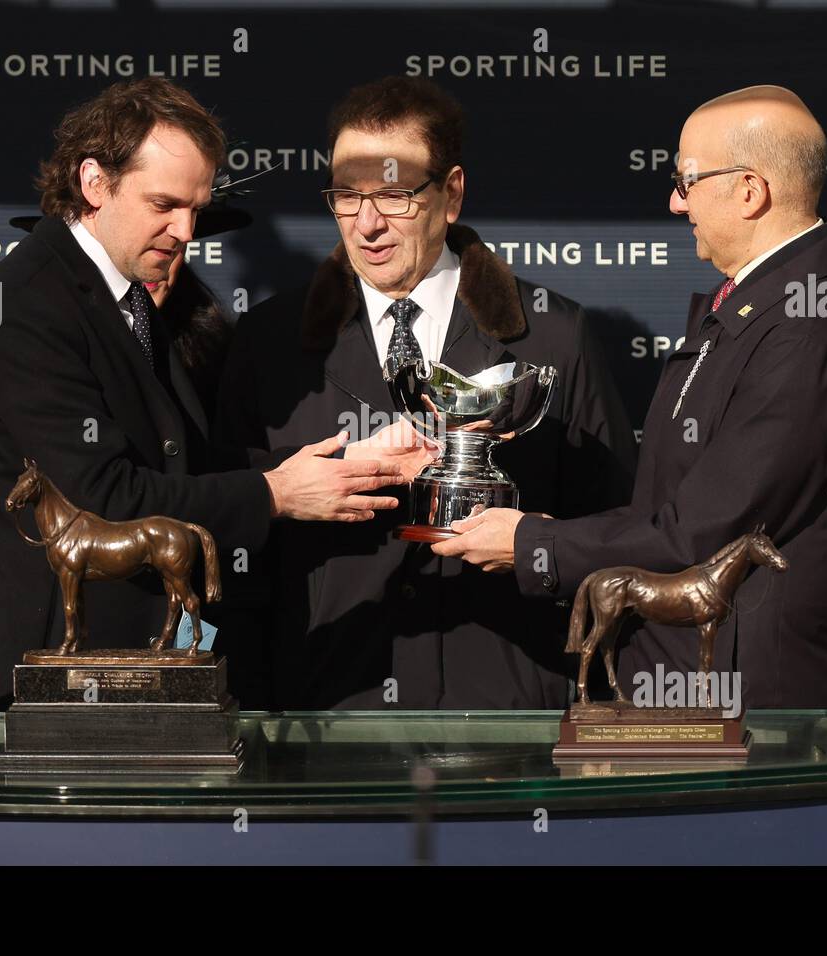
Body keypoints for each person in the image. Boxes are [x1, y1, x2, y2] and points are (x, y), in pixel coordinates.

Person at [0, 78, 404, 712]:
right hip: (17, 699)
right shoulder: (23, 308)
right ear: (94, 183)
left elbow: (177, 467)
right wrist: (276, 493)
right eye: (165, 203)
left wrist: (334, 471)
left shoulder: (125, 298)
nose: (185, 231)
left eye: (196, 208)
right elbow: (106, 499)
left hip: (112, 686)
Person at [436, 86, 827, 714]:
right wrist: (542, 532)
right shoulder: (761, 309)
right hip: (697, 702)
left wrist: (531, 544)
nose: (674, 202)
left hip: (751, 722)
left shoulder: (810, 331)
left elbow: (697, 535)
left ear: (749, 190)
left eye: (686, 180)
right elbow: (675, 510)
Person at [217, 76, 637, 710]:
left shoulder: (554, 333)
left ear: (452, 194)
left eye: (394, 195)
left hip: (511, 710)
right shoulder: (268, 340)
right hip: (329, 710)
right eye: (347, 196)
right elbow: (232, 544)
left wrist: (538, 545)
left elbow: (616, 532)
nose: (368, 224)